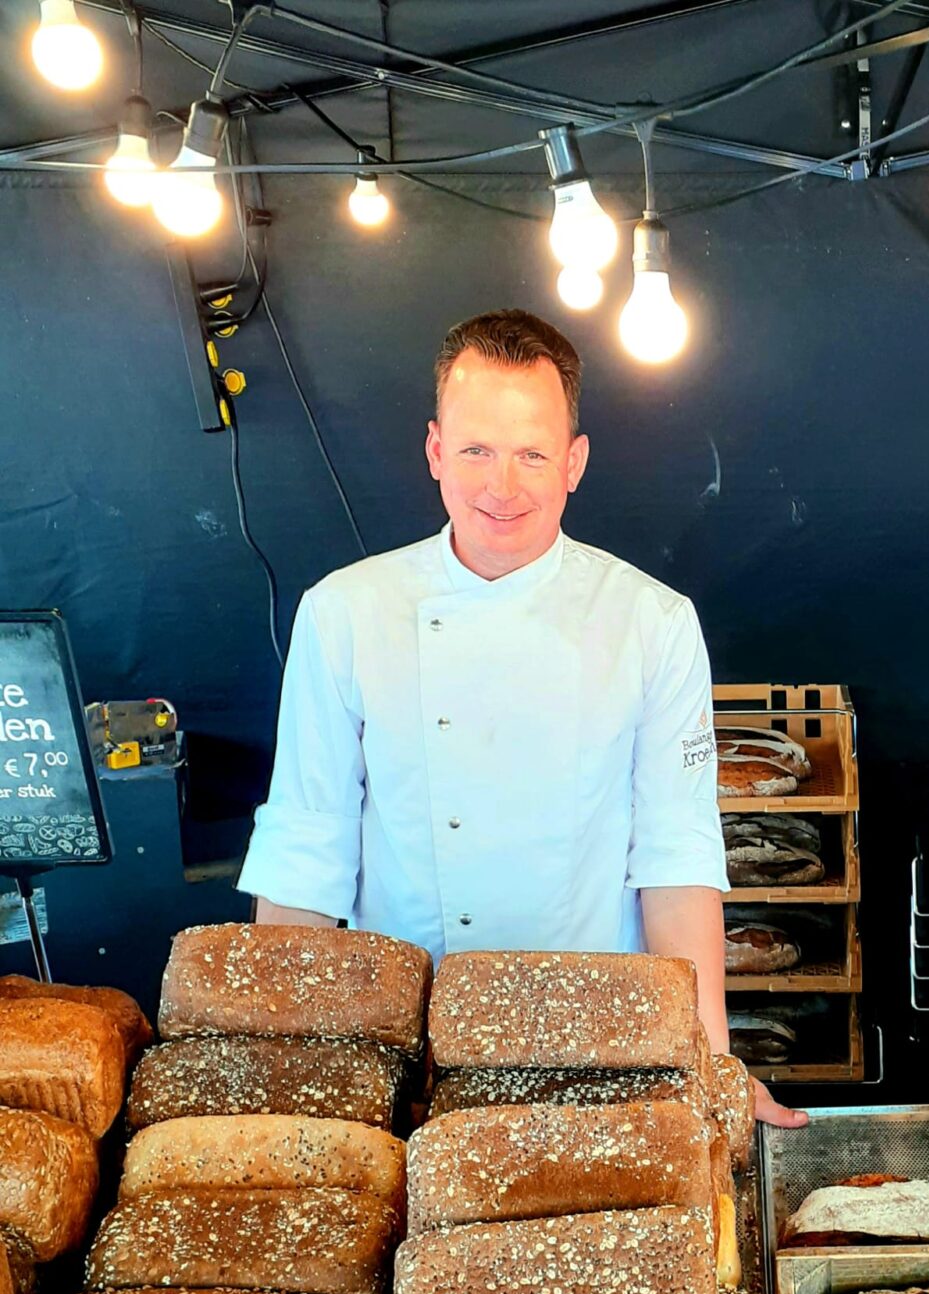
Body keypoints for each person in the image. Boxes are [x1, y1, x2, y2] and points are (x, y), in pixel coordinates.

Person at [237, 308, 806, 1129]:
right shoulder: (346, 614)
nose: (502, 487)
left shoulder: (653, 621)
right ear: (435, 451)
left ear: (573, 462)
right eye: (476, 450)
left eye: (531, 454)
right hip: (409, 1051)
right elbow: (305, 852)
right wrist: (286, 1079)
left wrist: (713, 1069)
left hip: (598, 1043)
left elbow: (675, 857)